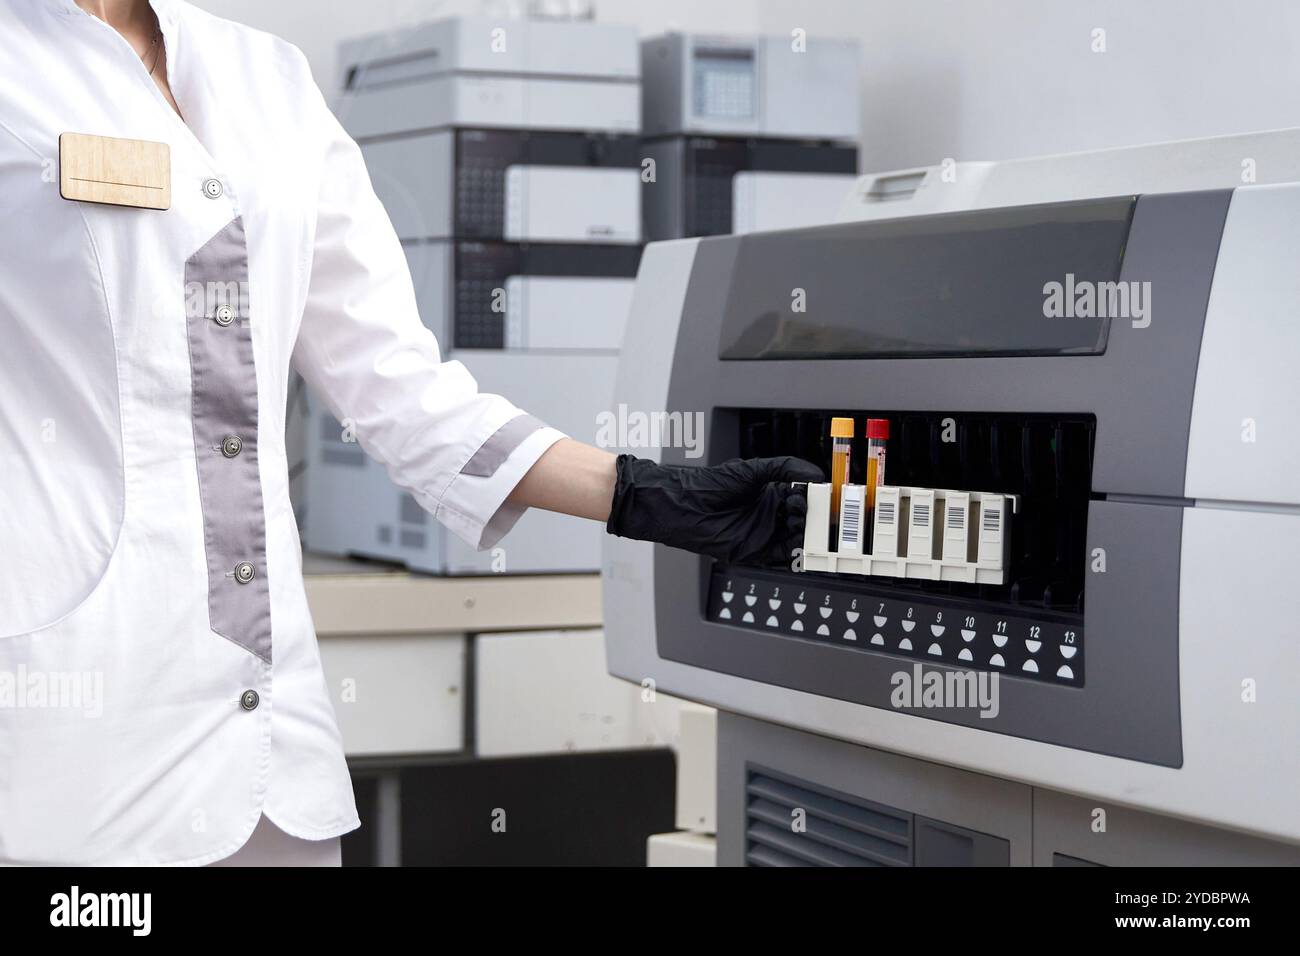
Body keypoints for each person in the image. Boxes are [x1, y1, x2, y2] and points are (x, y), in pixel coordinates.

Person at [0, 0, 818, 865]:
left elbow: (396, 382)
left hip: (267, 738)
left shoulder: (264, 74)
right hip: (72, 716)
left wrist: (644, 495)